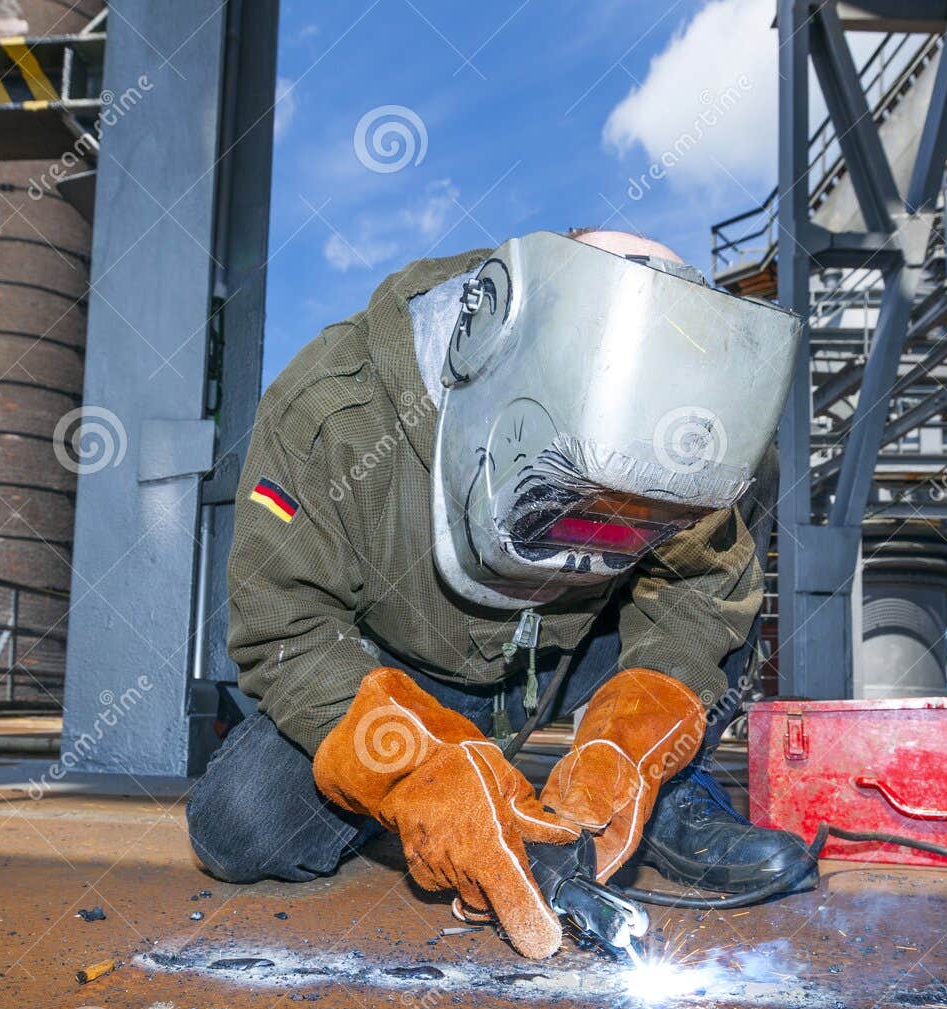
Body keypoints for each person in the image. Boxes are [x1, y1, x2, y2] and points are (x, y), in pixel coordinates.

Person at [186, 228, 812, 957]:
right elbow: (287, 633)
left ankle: (666, 790)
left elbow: (702, 584)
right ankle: (445, 792)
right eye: (577, 507)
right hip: (406, 670)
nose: (590, 542)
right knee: (240, 825)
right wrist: (416, 773)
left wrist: (634, 740)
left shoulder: (673, 427)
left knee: (747, 492)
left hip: (572, 647)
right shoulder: (331, 410)